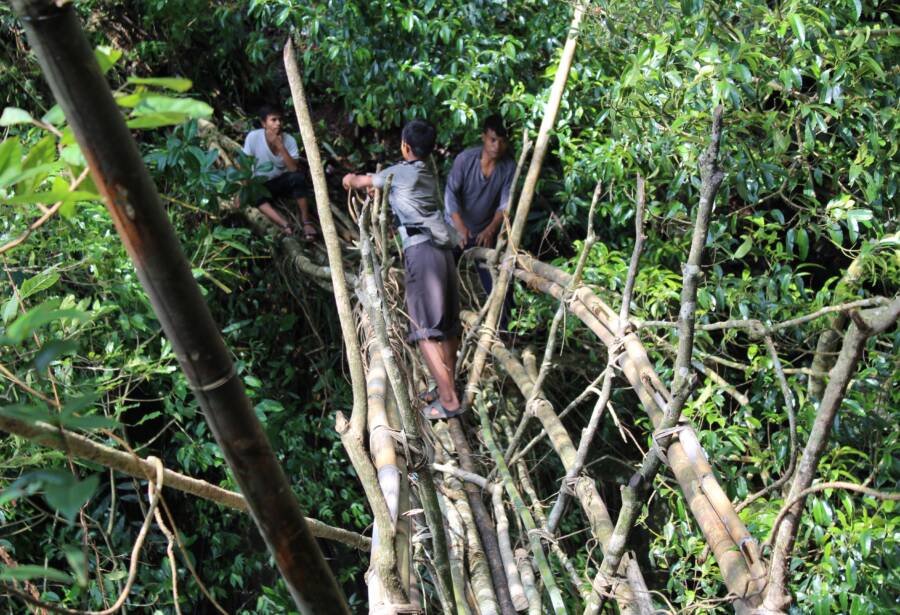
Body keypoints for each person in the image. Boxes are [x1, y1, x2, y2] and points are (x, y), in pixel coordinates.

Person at [342, 119, 463, 419]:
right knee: (446, 328)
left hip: (422, 254)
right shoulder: (426, 172)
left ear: (405, 146)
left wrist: (349, 178)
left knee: (423, 330)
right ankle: (445, 390)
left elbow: (360, 181)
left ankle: (449, 401)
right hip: (443, 253)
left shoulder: (399, 172)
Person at [445, 114, 516, 327]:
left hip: (483, 232)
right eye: (493, 140)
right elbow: (450, 194)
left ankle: (504, 329)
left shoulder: (508, 167)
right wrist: (460, 228)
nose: (497, 146)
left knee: (499, 280)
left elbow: (505, 205)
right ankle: (445, 323)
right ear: (483, 137)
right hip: (454, 228)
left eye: (502, 141)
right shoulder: (465, 160)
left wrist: (490, 229)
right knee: (441, 274)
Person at [242, 104, 317, 240]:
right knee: (253, 193)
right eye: (273, 120)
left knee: (298, 178)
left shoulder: (289, 140)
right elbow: (245, 165)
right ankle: (284, 224)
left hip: (282, 182)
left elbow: (293, 169)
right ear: (263, 123)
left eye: (280, 120)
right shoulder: (253, 137)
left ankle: (306, 222)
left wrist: (280, 146)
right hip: (262, 184)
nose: (278, 123)